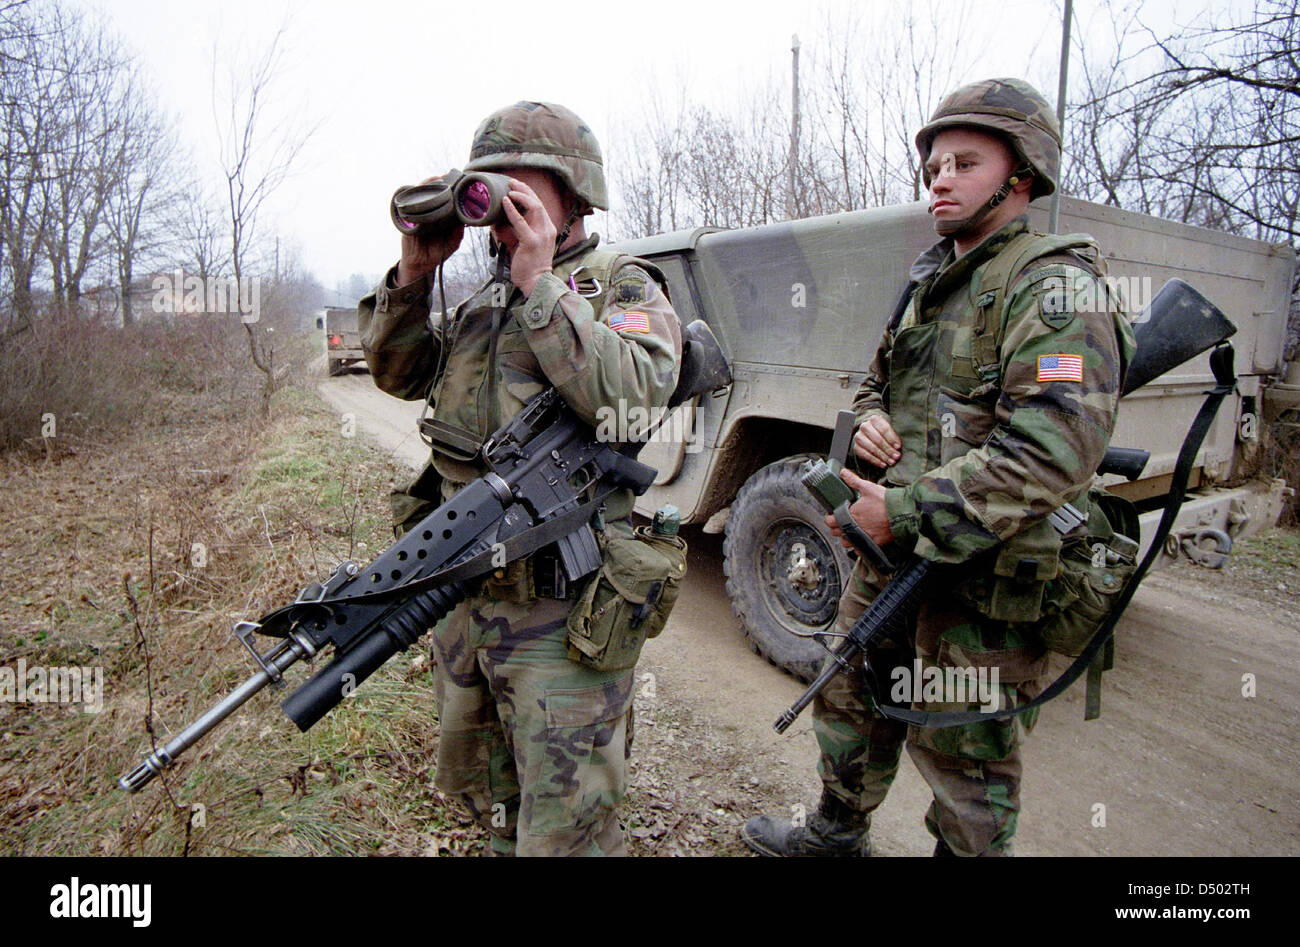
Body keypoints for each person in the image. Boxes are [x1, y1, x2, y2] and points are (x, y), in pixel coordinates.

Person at [741, 78, 1136, 857]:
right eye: (932, 170)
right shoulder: (930, 282)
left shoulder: (1053, 288)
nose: (940, 181)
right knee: (851, 700)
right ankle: (835, 834)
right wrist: (876, 417)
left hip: (979, 583)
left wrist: (909, 510)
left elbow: (1052, 452)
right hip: (891, 561)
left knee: (965, 759)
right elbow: (873, 379)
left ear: (1020, 176)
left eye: (964, 162)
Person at [358, 101, 682, 856]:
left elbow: (628, 396)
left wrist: (543, 286)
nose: (502, 214)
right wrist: (414, 273)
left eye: (521, 192)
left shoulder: (619, 286)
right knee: (494, 807)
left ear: (572, 197)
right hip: (467, 602)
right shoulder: (479, 299)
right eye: (488, 191)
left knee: (564, 831)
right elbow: (399, 374)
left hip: (562, 622)